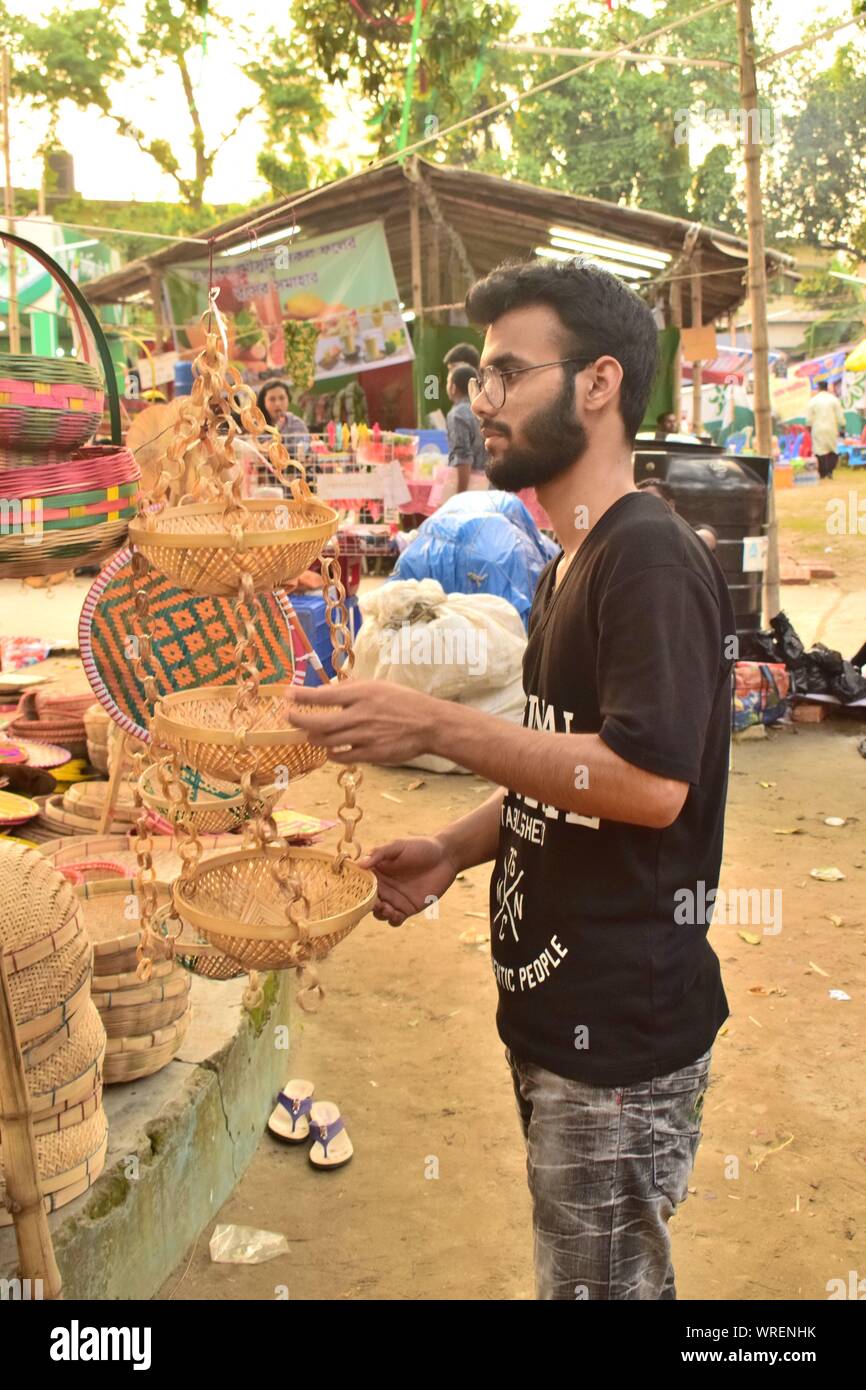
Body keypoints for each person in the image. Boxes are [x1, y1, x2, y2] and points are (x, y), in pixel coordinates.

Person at [288, 256, 734, 1301]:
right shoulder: (569, 555)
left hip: (617, 1042)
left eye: (505, 373)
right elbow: (559, 752)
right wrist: (450, 847)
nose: (480, 401)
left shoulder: (647, 559)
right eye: (478, 377)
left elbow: (648, 783)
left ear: (597, 384)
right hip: (551, 1010)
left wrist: (434, 722)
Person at [636, 478, 718, 551]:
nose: (645, 505)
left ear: (671, 504)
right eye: (639, 501)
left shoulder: (697, 530)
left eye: (651, 500)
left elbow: (707, 539)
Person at [445, 363, 486, 492]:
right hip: (491, 485)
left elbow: (462, 459)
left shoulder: (457, 414)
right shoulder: (485, 409)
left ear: (453, 387)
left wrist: (460, 497)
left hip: (471, 490)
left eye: (448, 382)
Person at [806, 380, 845, 479]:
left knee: (819, 451)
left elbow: (809, 418)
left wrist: (808, 427)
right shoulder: (834, 400)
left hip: (818, 428)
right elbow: (840, 416)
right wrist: (843, 425)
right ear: (827, 388)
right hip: (831, 428)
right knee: (833, 449)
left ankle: (822, 473)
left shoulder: (813, 400)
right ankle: (830, 471)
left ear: (818, 388)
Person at [256, 379, 310, 445]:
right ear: (263, 402)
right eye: (272, 399)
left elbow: (304, 448)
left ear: (288, 399)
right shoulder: (256, 426)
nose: (277, 403)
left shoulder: (297, 424)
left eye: (282, 398)